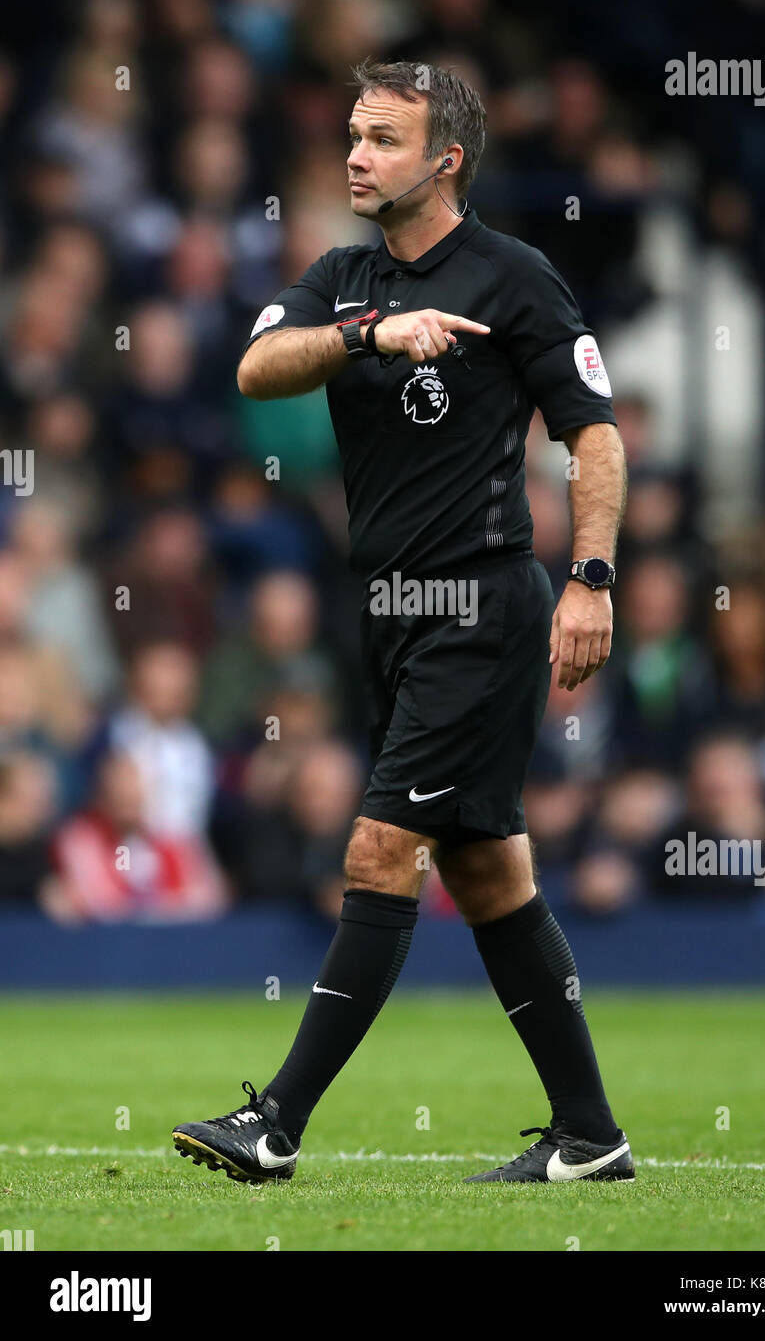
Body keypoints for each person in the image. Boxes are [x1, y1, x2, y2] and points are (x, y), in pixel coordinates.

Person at [172, 60, 631, 1186]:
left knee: (381, 848)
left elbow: (597, 436)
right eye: (352, 135)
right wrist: (373, 333)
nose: (355, 155)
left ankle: (276, 1122)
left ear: (445, 159)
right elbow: (255, 366)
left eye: (381, 138)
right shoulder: (343, 277)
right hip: (386, 613)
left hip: (480, 605)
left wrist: (593, 577)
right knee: (488, 877)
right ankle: (589, 1133)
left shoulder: (517, 280)